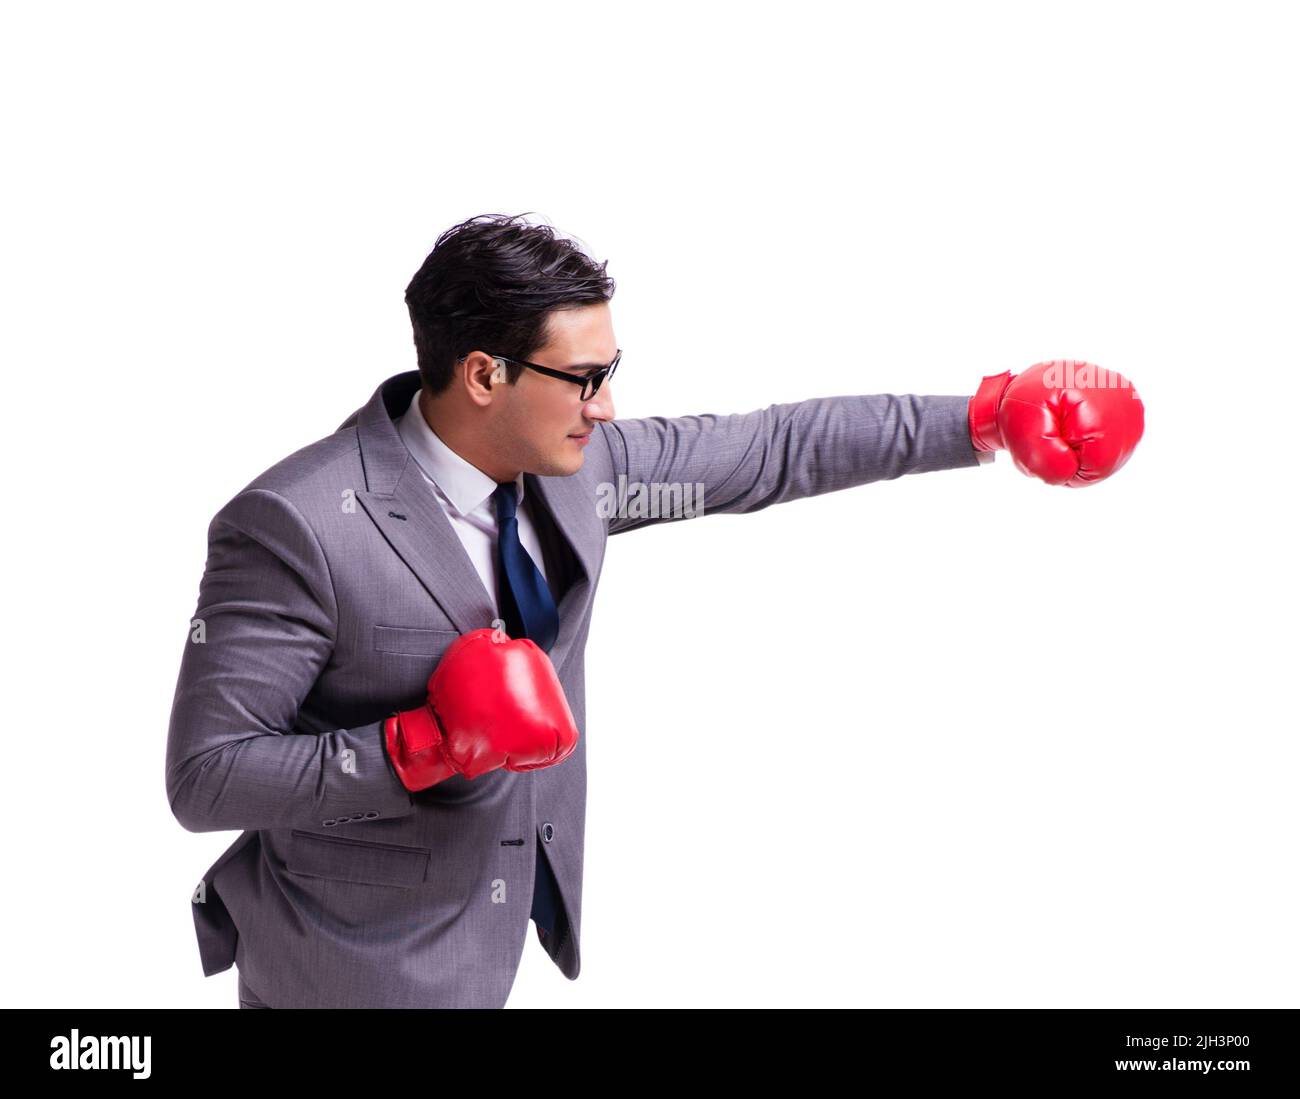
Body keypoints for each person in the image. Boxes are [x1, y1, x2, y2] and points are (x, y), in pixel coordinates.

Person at [166, 212, 1144, 1009]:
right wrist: (427, 744)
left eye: (610, 372)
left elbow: (770, 447)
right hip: (350, 967)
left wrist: (984, 417)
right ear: (482, 374)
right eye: (584, 379)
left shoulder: (578, 476)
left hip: (498, 927)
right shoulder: (296, 524)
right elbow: (208, 779)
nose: (607, 409)